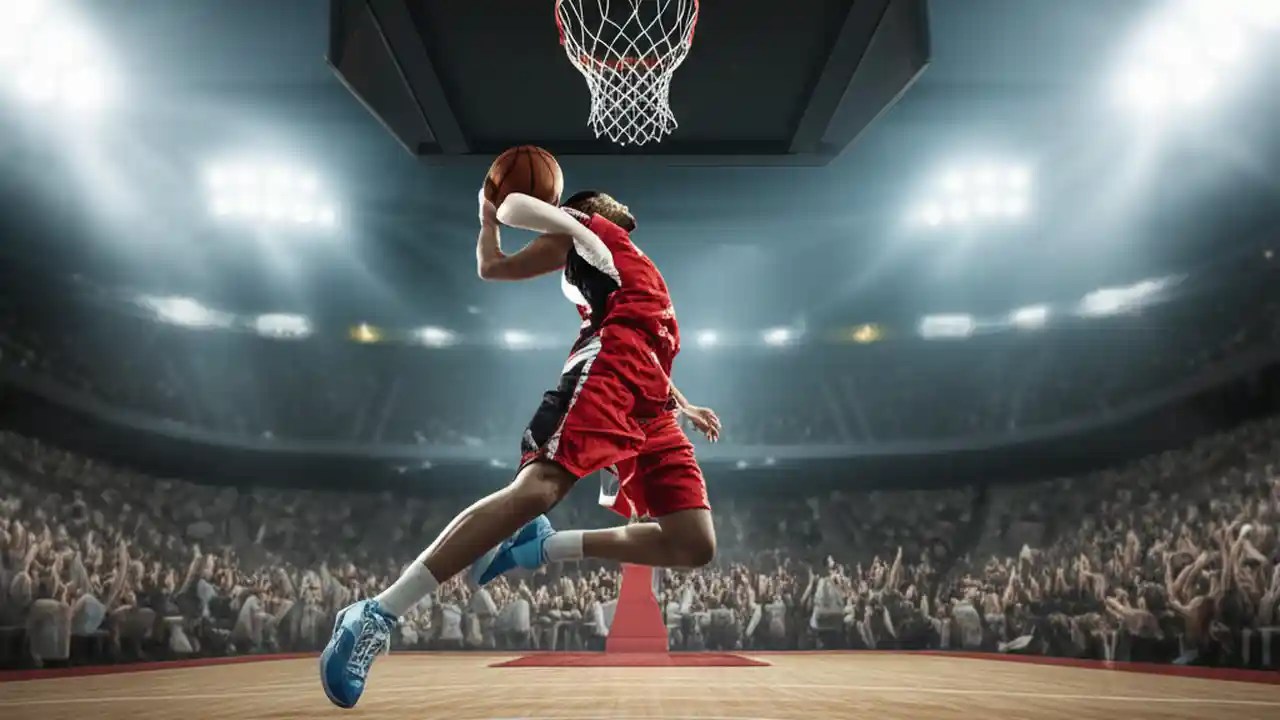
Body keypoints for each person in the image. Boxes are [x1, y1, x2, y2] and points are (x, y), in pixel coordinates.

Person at [320, 189, 722, 708]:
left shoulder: (611, 260)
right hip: (610, 375)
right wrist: (498, 210)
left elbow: (499, 267)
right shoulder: (591, 230)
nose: (627, 205)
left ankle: (543, 546)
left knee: (693, 544)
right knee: (540, 488)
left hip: (652, 396)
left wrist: (682, 403)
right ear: (589, 208)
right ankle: (377, 612)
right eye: (611, 200)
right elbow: (511, 215)